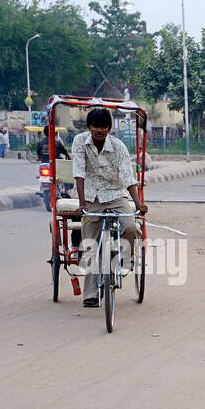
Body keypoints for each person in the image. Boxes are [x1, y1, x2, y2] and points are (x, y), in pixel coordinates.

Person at [71, 107, 146, 307]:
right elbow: (79, 172)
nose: (99, 130)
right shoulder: (80, 142)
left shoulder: (119, 146)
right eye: (95, 126)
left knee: (130, 226)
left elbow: (128, 177)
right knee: (89, 246)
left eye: (103, 127)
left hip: (115, 195)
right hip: (90, 197)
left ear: (109, 128)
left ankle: (125, 257)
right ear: (89, 127)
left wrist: (138, 204)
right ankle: (90, 294)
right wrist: (81, 203)